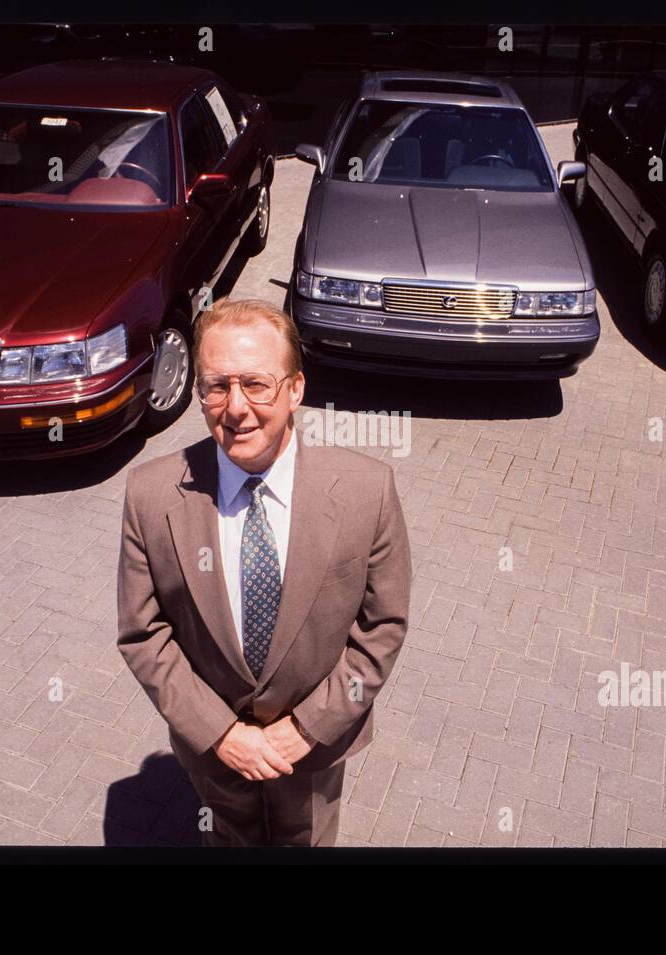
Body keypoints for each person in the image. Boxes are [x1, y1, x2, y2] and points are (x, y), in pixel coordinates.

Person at [116, 298, 412, 846]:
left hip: (315, 748)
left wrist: (305, 730)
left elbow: (382, 628)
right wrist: (220, 733)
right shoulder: (150, 494)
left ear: (295, 390)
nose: (236, 408)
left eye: (257, 384)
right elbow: (143, 634)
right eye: (216, 385)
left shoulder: (367, 491)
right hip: (215, 752)